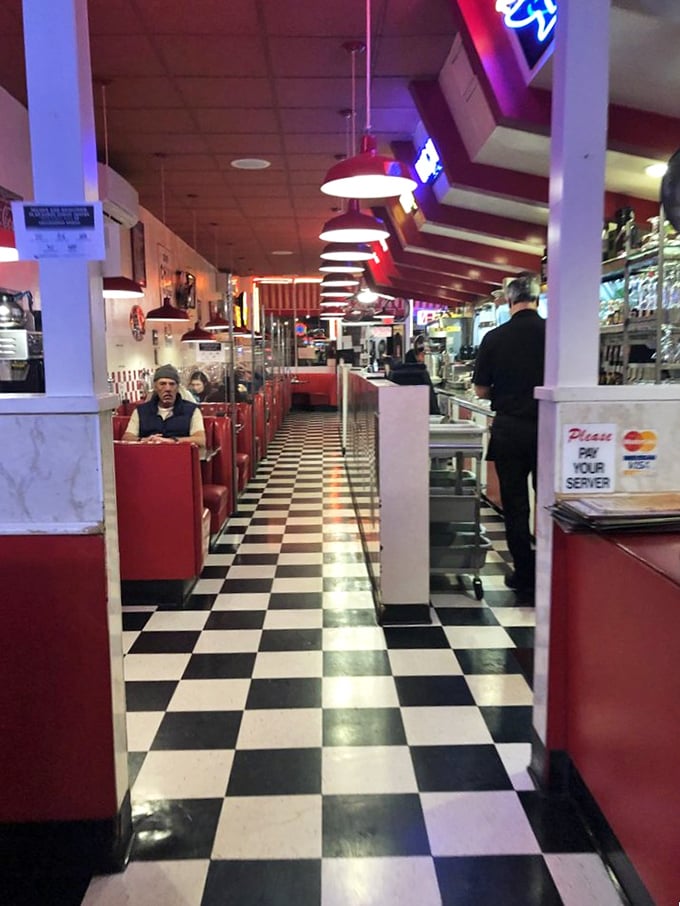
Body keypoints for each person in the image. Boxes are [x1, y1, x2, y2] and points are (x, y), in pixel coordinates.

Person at [472, 272, 546, 598]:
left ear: (509, 300)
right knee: (550, 504)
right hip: (549, 426)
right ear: (537, 299)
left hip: (510, 428)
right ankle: (552, 569)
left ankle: (524, 573)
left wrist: (505, 392)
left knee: (515, 505)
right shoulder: (554, 334)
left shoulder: (495, 337)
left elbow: (481, 389)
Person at [122, 363, 206, 448]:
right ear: (155, 387)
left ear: (177, 387)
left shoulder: (192, 410)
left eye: (172, 384)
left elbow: (201, 440)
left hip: (179, 454)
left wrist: (173, 441)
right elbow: (127, 438)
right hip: (148, 453)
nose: (167, 389)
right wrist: (144, 440)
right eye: (162, 384)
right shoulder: (141, 411)